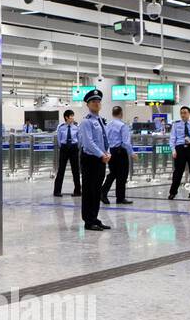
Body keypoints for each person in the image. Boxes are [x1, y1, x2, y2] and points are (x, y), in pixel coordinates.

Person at [78, 90, 112, 231]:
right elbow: (88, 142)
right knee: (89, 190)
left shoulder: (101, 120)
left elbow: (105, 140)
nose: (96, 104)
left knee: (97, 190)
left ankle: (94, 218)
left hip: (100, 159)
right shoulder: (86, 122)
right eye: (93, 102)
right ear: (88, 104)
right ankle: (88, 221)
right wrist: (101, 155)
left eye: (98, 101)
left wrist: (108, 152)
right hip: (91, 159)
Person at [101, 105, 134, 205]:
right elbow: (126, 142)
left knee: (113, 174)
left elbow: (105, 139)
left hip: (111, 151)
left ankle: (103, 192)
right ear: (121, 113)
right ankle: (120, 198)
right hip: (121, 152)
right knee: (122, 175)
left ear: (112, 113)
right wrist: (131, 152)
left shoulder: (108, 125)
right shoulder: (123, 125)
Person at [166, 106, 190, 200]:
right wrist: (173, 150)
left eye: (185, 112)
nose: (183, 114)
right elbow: (172, 139)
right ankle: (173, 192)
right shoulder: (176, 125)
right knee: (178, 172)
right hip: (180, 149)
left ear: (189, 114)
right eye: (181, 113)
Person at [53, 109, 81, 197]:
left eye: (73, 116)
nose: (73, 118)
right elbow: (59, 140)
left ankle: (77, 191)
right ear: (66, 117)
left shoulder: (76, 127)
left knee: (75, 170)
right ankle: (57, 191)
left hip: (74, 148)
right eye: (71, 116)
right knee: (61, 170)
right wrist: (63, 147)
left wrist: (76, 147)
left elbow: (79, 139)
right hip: (64, 149)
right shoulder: (61, 128)